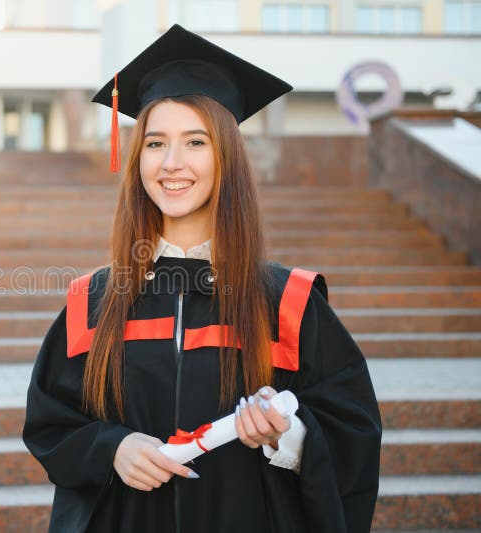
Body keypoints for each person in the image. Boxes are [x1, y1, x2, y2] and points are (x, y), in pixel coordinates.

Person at [23, 24, 381, 533]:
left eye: (195, 141)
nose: (171, 163)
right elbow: (50, 422)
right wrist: (112, 448)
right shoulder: (94, 301)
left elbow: (354, 434)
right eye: (154, 143)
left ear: (226, 156)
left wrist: (289, 435)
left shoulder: (289, 301)